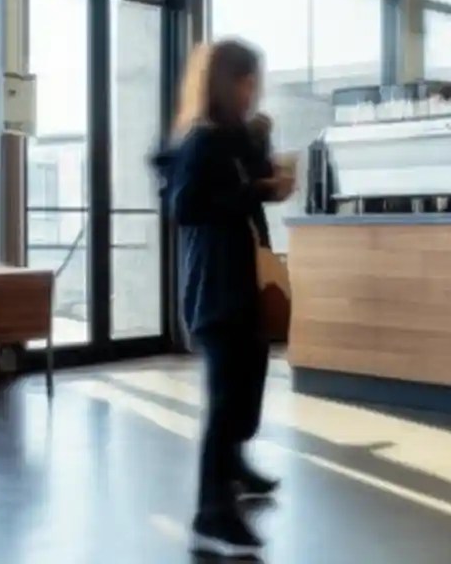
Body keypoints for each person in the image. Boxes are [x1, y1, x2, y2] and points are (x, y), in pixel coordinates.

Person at [153, 39, 295, 557]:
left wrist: (267, 169)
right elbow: (186, 207)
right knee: (226, 398)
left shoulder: (237, 136)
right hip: (215, 287)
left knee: (250, 376)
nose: (252, 89)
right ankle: (211, 513)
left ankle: (234, 465)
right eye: (245, 80)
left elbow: (254, 177)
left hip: (243, 281)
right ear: (224, 83)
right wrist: (255, 191)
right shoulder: (202, 141)